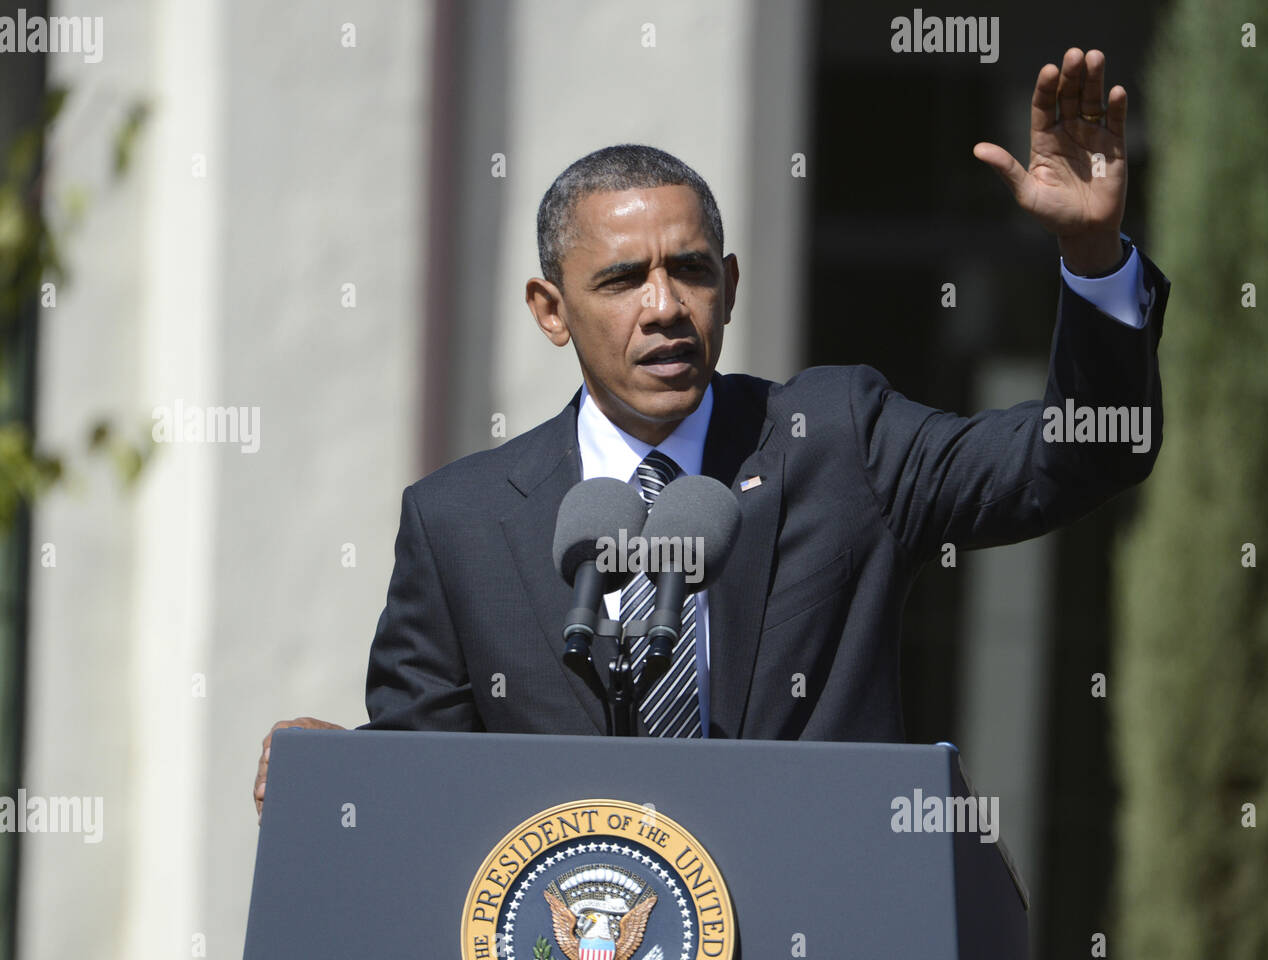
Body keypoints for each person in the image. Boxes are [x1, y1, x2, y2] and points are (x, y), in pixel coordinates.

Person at [254, 48, 1169, 816]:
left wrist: (1093, 262)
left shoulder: (840, 441)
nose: (664, 308)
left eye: (689, 272)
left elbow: (1079, 456)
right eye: (620, 281)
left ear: (728, 286)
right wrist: (342, 774)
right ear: (550, 308)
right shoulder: (459, 524)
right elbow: (433, 785)